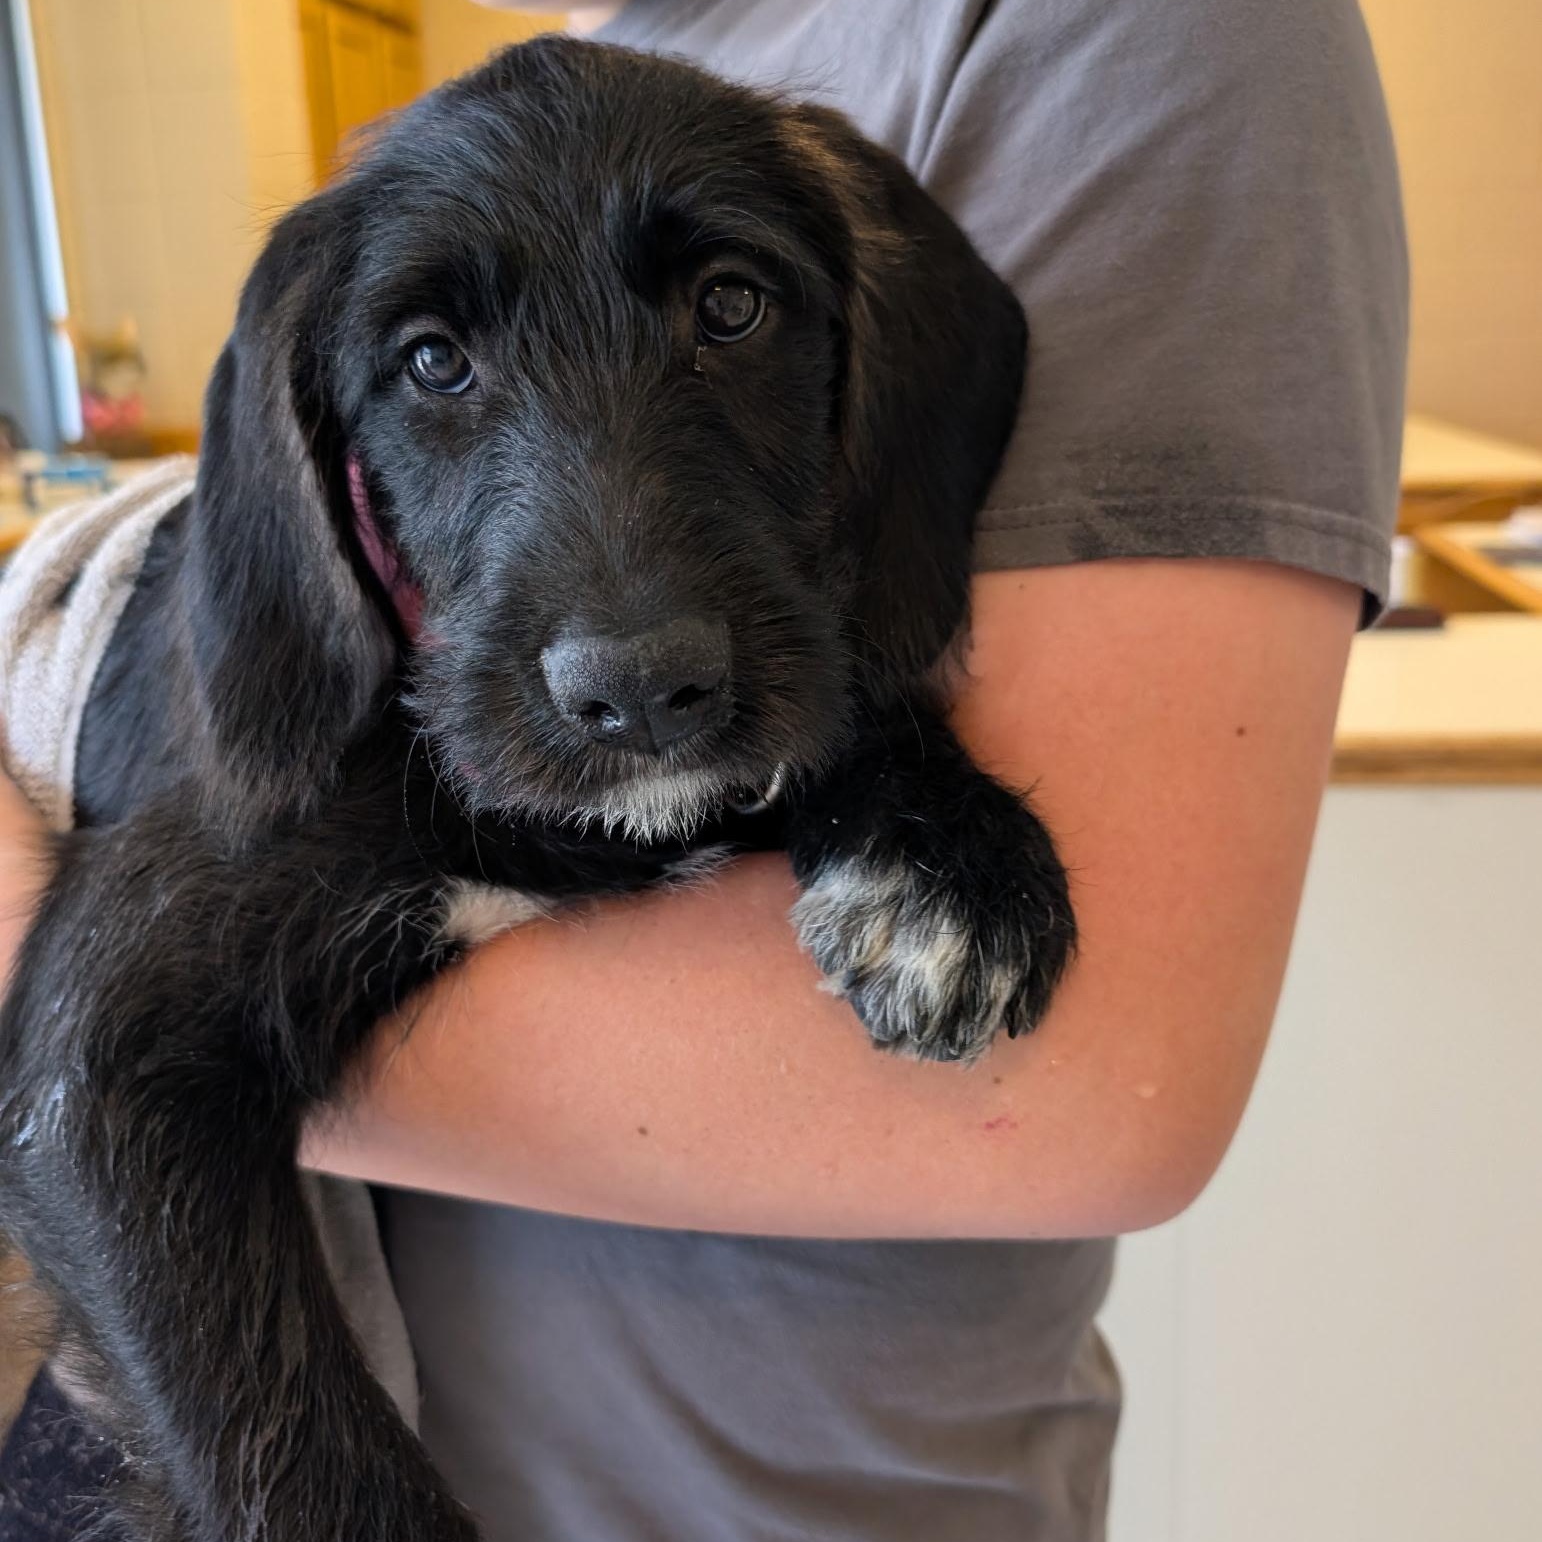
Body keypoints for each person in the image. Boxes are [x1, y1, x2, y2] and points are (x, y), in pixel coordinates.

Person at [0, 1, 1406, 1537]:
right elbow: (107, 1077)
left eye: (728, 310)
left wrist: (892, 777)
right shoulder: (336, 742)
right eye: (434, 361)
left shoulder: (1139, 47)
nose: (620, 641)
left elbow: (1096, 1090)